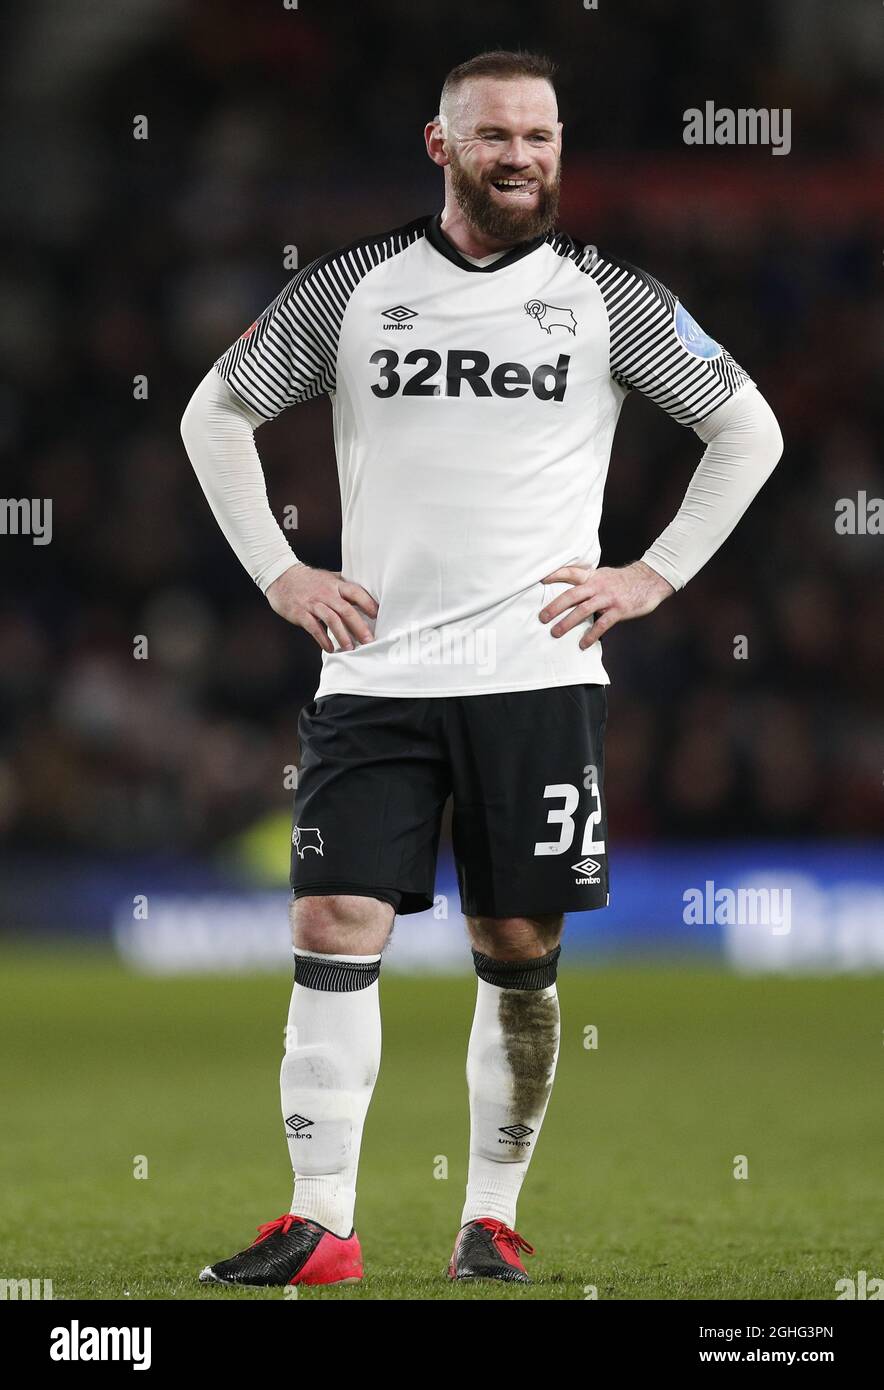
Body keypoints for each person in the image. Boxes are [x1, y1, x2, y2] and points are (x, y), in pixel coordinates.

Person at [180, 48, 783, 1287]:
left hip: (536, 672)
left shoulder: (605, 299)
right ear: (438, 144)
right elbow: (215, 412)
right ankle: (321, 1223)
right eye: (497, 136)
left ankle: (488, 1216)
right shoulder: (354, 288)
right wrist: (281, 575)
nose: (522, 157)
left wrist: (649, 576)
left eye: (542, 137)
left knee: (515, 946)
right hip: (375, 673)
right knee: (330, 920)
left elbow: (745, 426)